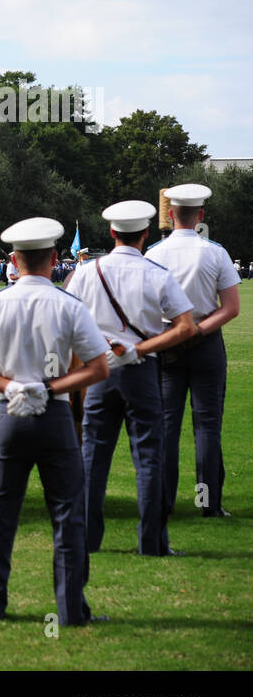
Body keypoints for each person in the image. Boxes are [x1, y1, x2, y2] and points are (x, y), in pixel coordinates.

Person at [0, 217, 111, 625]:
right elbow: (98, 368)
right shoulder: (69, 305)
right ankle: (71, 610)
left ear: (13, 260)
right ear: (54, 259)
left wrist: (7, 386)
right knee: (67, 513)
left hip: (11, 414)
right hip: (54, 414)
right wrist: (53, 387)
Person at [64, 200, 196, 557]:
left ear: (111, 233)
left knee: (93, 456)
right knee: (149, 457)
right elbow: (186, 327)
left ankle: (87, 539)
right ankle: (152, 543)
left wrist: (101, 341)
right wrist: (140, 348)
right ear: (145, 234)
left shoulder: (88, 272)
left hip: (101, 371)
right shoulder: (156, 273)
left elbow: (69, 321)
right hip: (142, 369)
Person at [148, 183, 240, 519]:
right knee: (206, 427)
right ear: (200, 215)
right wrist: (197, 329)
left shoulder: (153, 254)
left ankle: (167, 501)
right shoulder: (215, 251)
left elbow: (145, 309)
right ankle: (207, 502)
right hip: (206, 342)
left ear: (170, 215)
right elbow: (230, 307)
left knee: (168, 427)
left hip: (166, 342)